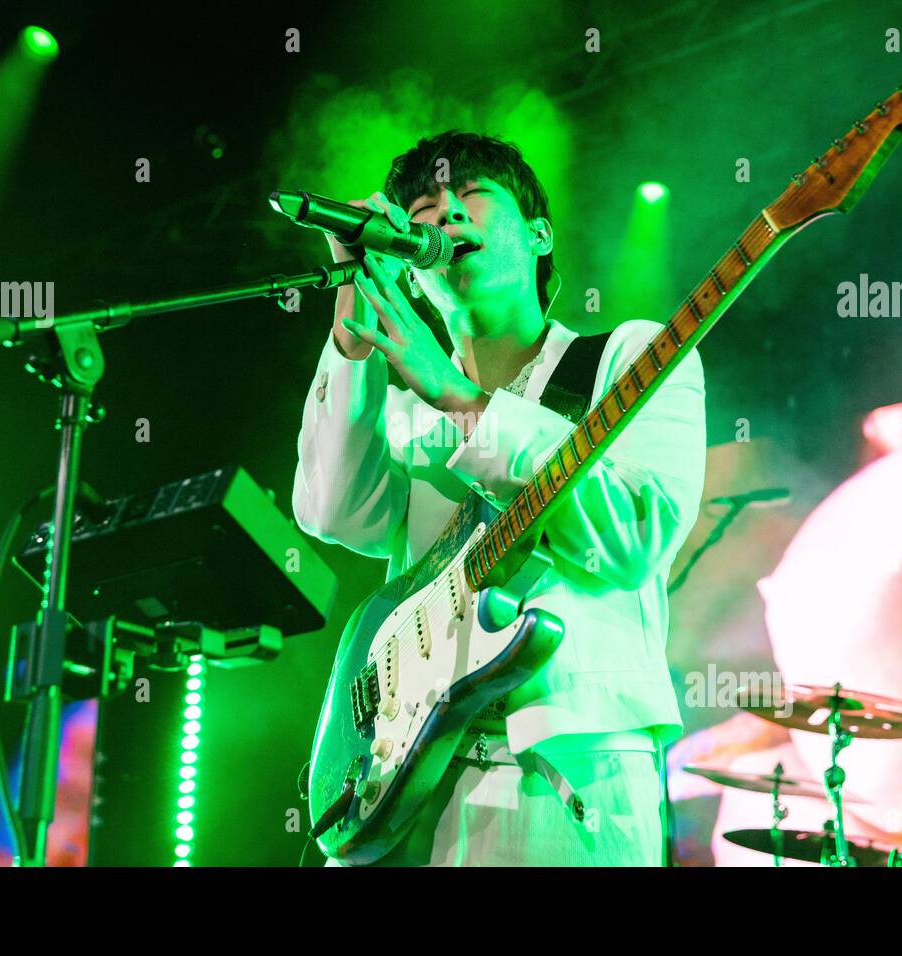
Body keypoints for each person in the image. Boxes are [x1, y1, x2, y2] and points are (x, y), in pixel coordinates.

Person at [293, 130, 706, 865]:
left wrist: (461, 401)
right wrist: (354, 337)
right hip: (401, 782)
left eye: (473, 196)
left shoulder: (631, 355)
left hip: (563, 778)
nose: (446, 213)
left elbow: (631, 541)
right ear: (414, 266)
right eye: (422, 207)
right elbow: (332, 511)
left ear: (541, 233)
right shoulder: (401, 410)